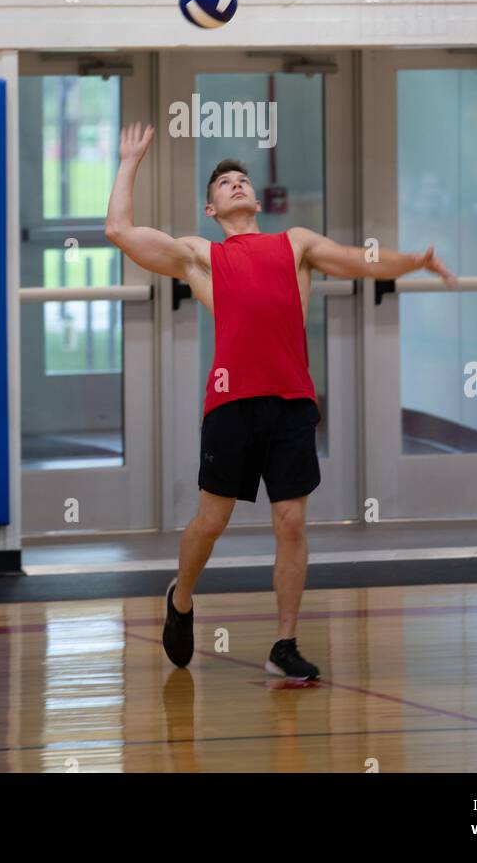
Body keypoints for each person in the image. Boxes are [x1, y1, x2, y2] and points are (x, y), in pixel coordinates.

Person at [105, 122, 457, 680]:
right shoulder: (200, 255)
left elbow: (358, 260)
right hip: (231, 403)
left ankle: (283, 644)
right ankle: (182, 598)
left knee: (291, 522)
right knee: (212, 520)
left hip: (291, 402)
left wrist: (414, 260)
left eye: (243, 179)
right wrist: (129, 162)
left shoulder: (295, 244)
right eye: (226, 184)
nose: (238, 185)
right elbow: (120, 231)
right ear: (211, 208)